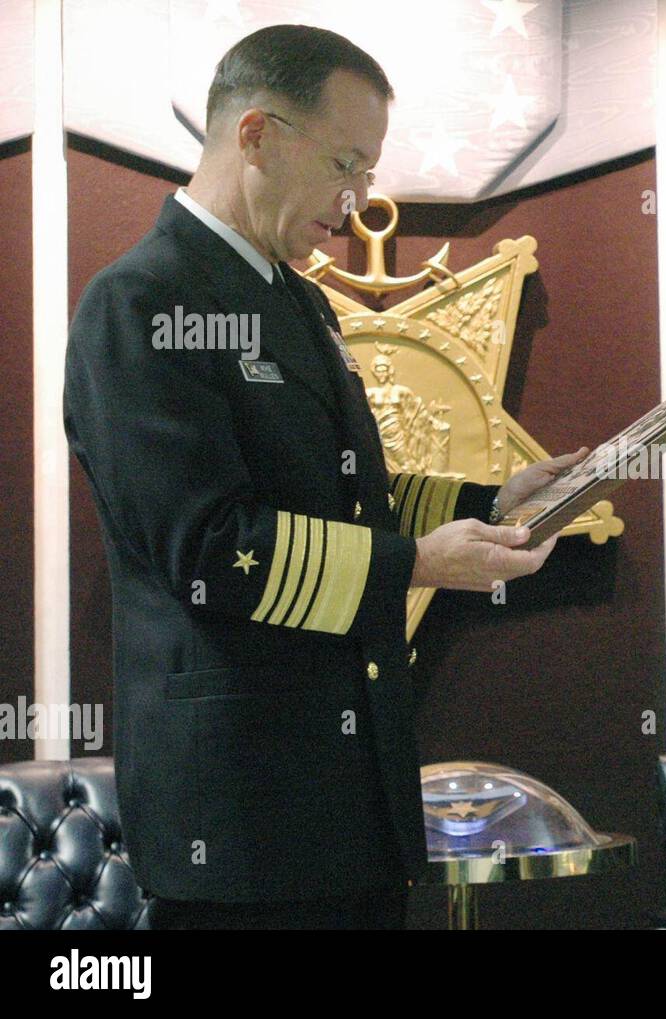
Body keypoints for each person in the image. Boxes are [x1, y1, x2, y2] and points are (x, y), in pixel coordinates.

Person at [63, 24, 585, 930]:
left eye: (369, 171)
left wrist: (489, 503)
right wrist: (417, 564)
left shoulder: (297, 298)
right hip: (239, 816)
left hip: (349, 804)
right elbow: (210, 547)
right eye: (347, 162)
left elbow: (342, 489)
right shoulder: (141, 301)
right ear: (257, 134)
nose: (357, 200)